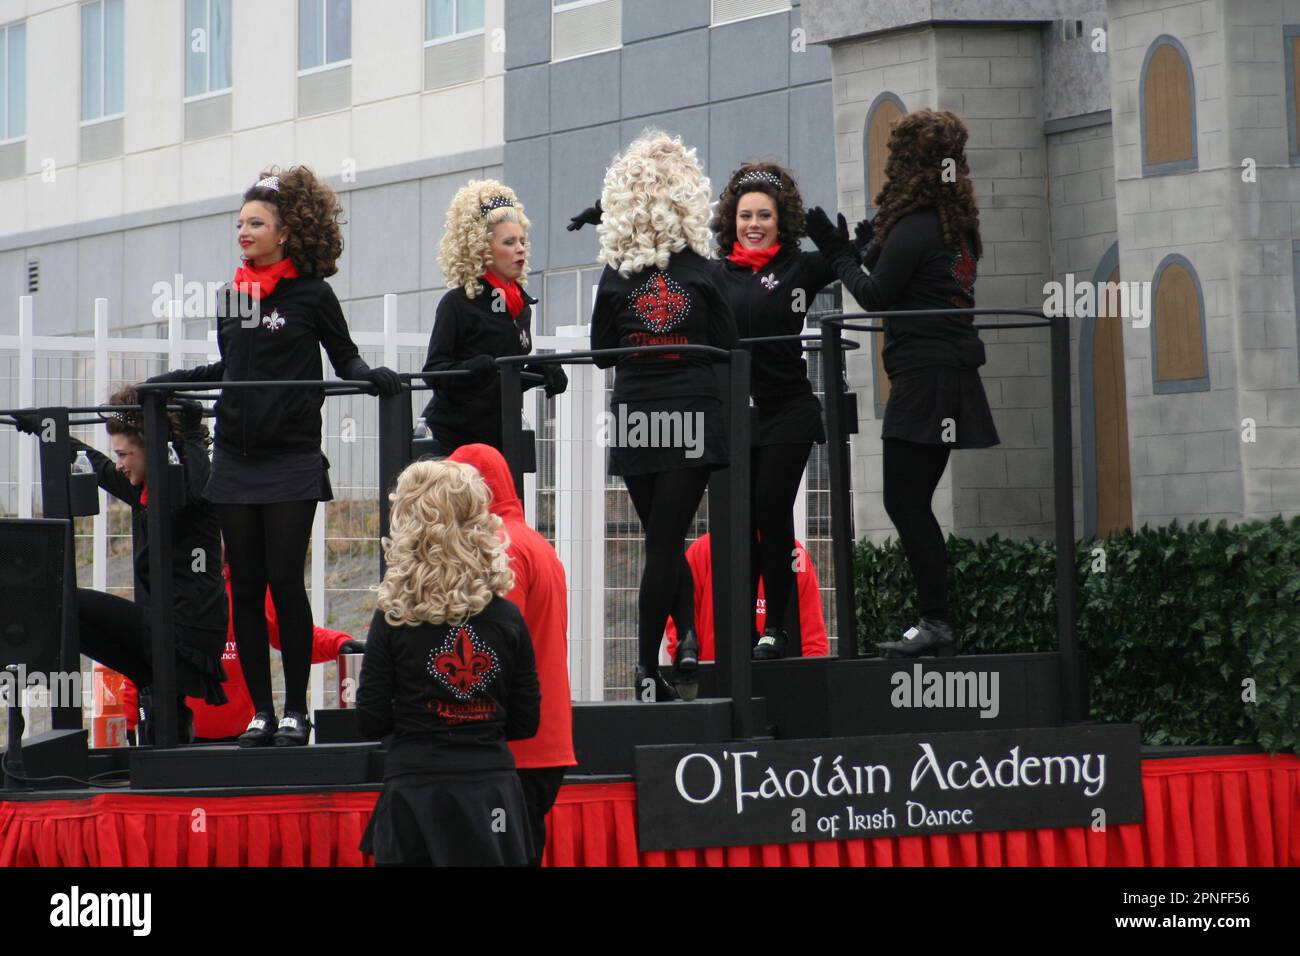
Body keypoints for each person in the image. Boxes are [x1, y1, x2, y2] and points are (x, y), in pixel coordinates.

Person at [147, 166, 403, 746]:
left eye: (255, 223)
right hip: (235, 464)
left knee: (285, 582)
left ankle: (295, 711)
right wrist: (174, 380)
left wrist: (371, 379)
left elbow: (346, 359)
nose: (243, 231)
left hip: (290, 460)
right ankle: (260, 713)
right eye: (239, 222)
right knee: (245, 587)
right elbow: (231, 368)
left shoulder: (312, 294)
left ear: (284, 231)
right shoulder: (235, 295)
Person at [804, 109, 999, 658]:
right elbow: (900, 278)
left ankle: (936, 621)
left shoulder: (917, 226)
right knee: (912, 499)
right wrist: (865, 246)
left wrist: (837, 251)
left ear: (907, 164)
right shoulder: (952, 227)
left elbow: (874, 296)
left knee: (903, 499)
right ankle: (935, 621)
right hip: (948, 374)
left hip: (926, 376)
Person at [588, 131, 739, 702]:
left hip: (635, 416)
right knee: (665, 539)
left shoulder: (614, 274)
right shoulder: (703, 268)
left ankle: (672, 652)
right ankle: (659, 661)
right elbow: (728, 343)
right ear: (687, 197)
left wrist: (640, 338)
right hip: (691, 414)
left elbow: (602, 354)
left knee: (661, 538)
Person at [707, 162, 869, 660]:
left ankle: (776, 626)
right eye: (744, 215)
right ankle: (739, 627)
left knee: (770, 508)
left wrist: (855, 243)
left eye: (764, 215)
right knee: (741, 519)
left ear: (781, 220)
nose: (753, 224)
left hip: (789, 409)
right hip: (736, 416)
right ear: (731, 220)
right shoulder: (714, 274)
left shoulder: (798, 267)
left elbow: (852, 262)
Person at [13, 387, 227, 744]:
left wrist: (192, 431)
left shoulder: (186, 486)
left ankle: (164, 734)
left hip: (186, 629)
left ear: (152, 452)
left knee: (67, 599)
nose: (121, 463)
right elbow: (97, 464)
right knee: (69, 616)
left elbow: (197, 486)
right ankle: (164, 744)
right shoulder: (141, 489)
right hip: (163, 623)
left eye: (125, 454)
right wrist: (46, 428)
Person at [357, 460, 540, 867]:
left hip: (415, 791)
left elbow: (370, 717)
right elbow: (526, 722)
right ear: (478, 522)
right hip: (490, 792)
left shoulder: (393, 617)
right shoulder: (507, 619)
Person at [449, 443, 574, 867]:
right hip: (544, 743)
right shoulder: (534, 542)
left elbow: (496, 653)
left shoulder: (500, 548)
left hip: (514, 749)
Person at [120, 561, 362, 743]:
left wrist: (340, 644)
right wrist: (129, 723)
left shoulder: (251, 589)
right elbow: (141, 654)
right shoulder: (174, 587)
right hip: (181, 739)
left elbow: (294, 636)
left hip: (244, 738)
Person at [419, 181, 567, 456]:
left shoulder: (521, 306)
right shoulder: (457, 303)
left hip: (501, 440)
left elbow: (503, 377)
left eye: (522, 241)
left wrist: (541, 372)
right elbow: (433, 372)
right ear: (483, 250)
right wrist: (470, 369)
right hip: (454, 444)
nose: (520, 249)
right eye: (509, 242)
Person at [663, 533, 829, 663]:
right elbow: (681, 631)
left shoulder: (794, 555)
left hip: (783, 684)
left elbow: (813, 642)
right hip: (717, 684)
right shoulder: (704, 550)